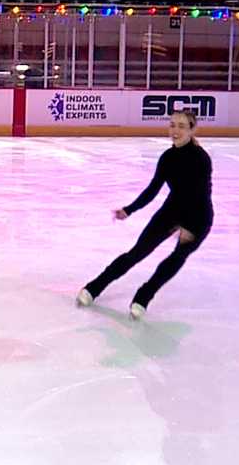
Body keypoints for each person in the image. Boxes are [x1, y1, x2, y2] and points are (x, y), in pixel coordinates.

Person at [76, 110, 213, 320]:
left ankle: (143, 296)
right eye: (172, 125)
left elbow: (199, 195)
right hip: (172, 209)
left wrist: (188, 226)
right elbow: (152, 190)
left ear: (192, 130)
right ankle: (94, 287)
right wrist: (128, 210)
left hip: (198, 216)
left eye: (181, 126)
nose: (175, 131)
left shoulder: (201, 159)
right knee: (137, 253)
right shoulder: (168, 157)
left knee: (177, 257)